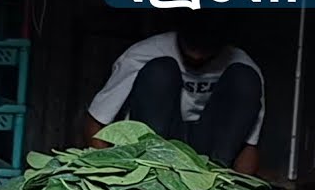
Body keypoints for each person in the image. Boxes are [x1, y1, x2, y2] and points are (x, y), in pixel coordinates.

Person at [84, 16, 266, 175]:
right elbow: (97, 121)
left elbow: (250, 145)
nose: (198, 57)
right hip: (159, 138)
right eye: (192, 49)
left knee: (245, 79)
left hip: (208, 150)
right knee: (161, 72)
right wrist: (107, 173)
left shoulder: (243, 64)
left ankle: (217, 173)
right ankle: (152, 168)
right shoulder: (143, 54)